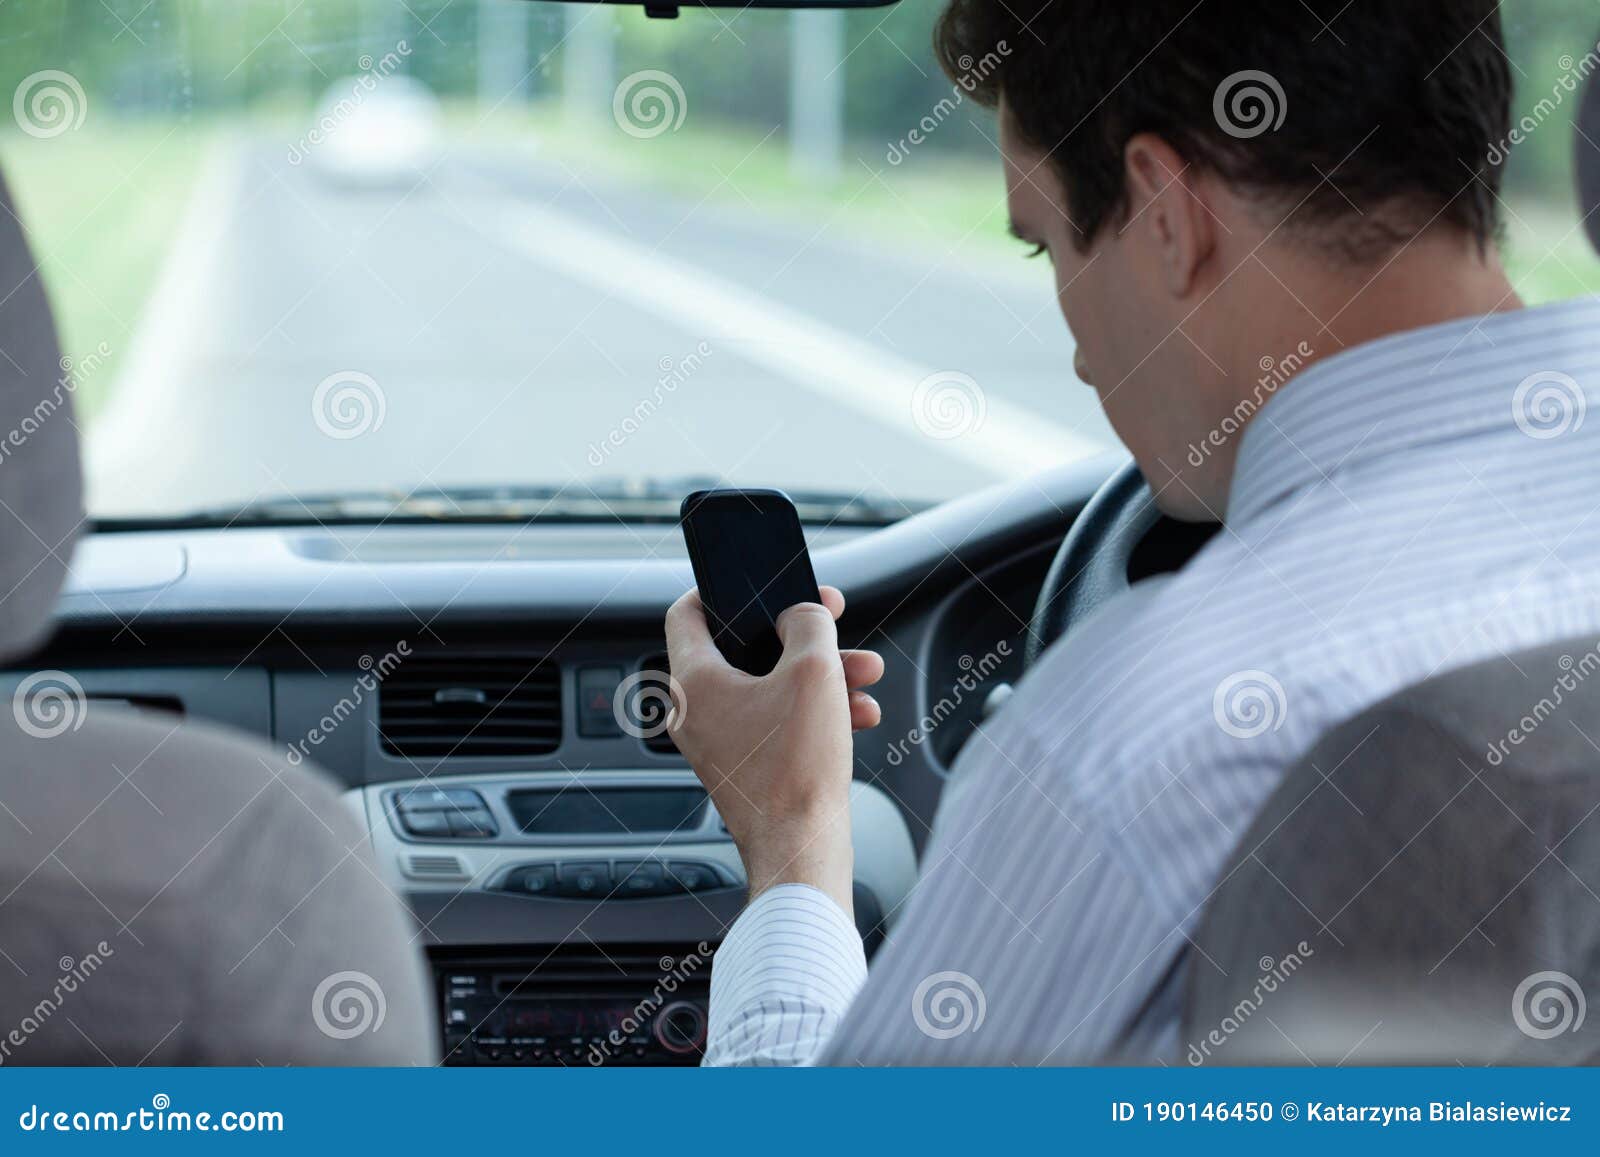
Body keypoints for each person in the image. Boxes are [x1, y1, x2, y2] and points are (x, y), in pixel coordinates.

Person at [665, 0, 1600, 1064]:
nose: (1076, 354)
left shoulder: (1144, 730)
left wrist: (793, 839)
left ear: (1165, 212)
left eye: (1045, 246)